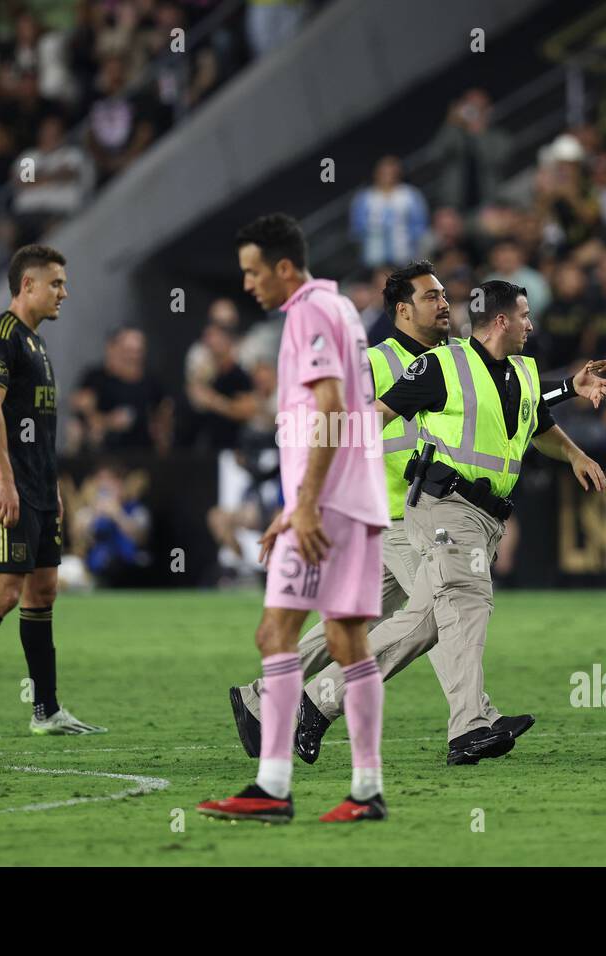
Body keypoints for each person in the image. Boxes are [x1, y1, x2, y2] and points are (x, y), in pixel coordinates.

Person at [230, 262, 555, 763]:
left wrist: (571, 389)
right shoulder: (372, 363)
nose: (446, 303)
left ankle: (263, 697)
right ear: (403, 310)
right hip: (391, 512)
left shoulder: (457, 360)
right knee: (440, 612)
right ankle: (471, 721)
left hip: (415, 511)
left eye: (446, 294)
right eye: (432, 297)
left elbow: (519, 401)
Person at [362, 280, 606, 764]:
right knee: (451, 614)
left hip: (458, 514)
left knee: (401, 619)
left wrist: (574, 443)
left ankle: (274, 700)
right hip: (421, 508)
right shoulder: (410, 361)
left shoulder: (504, 368)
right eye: (430, 296)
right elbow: (372, 415)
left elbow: (528, 411)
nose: (531, 324)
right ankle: (470, 725)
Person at [197, 213, 390, 823]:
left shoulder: (308, 311)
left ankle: (272, 788)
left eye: (254, 272)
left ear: (284, 268)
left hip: (326, 508)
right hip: (356, 500)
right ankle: (366, 790)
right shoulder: (343, 310)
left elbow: (329, 408)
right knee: (346, 640)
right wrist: (292, 502)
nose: (248, 284)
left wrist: (304, 505)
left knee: (274, 635)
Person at [0, 244, 104, 739]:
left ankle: (46, 710)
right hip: (5, 489)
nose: (64, 293)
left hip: (38, 490)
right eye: (56, 283)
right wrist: (5, 481)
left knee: (43, 590)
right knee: (3, 592)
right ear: (26, 285)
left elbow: (36, 425)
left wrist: (51, 483)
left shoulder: (36, 344)